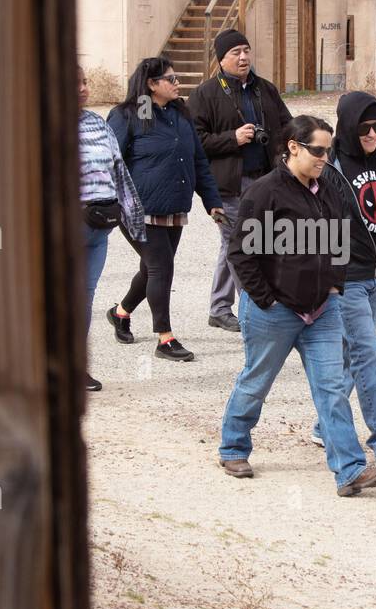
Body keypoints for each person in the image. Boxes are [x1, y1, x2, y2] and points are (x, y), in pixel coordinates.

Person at [219, 116, 376, 497]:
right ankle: (233, 447)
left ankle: (349, 471)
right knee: (257, 381)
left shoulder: (328, 189)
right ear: (293, 147)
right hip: (274, 312)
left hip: (322, 310)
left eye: (327, 151)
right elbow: (241, 254)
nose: (323, 157)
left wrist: (334, 285)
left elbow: (339, 240)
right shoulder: (264, 193)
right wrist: (265, 299)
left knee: (332, 388)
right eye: (317, 150)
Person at [310, 91, 376, 468]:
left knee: (349, 356)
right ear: (348, 125)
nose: (373, 134)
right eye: (365, 127)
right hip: (347, 278)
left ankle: (326, 425)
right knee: (367, 355)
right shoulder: (330, 162)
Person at [105, 57, 225, 362]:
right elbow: (110, 161)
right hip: (137, 208)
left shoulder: (179, 114)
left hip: (173, 205)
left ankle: (121, 313)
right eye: (170, 79)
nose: (177, 83)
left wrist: (212, 202)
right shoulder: (128, 115)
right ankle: (165, 337)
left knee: (152, 268)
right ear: (151, 85)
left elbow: (199, 161)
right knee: (161, 267)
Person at [189, 29, 292, 333]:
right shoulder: (205, 94)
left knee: (240, 244)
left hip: (266, 182)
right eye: (235, 52)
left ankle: (220, 307)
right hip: (227, 186)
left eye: (246, 50)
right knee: (240, 244)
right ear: (221, 60)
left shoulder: (266, 90)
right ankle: (253, 307)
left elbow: (288, 126)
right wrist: (232, 138)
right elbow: (195, 141)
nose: (244, 57)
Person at [78, 65, 145, 391]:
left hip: (100, 228)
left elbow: (119, 171)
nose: (82, 88)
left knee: (85, 299)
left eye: (84, 82)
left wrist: (131, 215)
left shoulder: (95, 122)